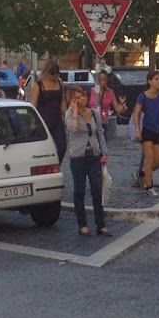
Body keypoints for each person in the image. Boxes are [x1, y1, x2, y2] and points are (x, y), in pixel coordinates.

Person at [65, 87, 110, 236]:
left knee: (97, 189)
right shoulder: (70, 115)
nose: (81, 99)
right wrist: (75, 112)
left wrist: (104, 152)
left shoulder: (94, 114)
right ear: (72, 100)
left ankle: (101, 225)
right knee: (79, 190)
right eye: (77, 97)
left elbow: (100, 134)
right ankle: (82, 225)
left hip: (94, 155)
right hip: (78, 157)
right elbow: (73, 130)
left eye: (82, 96)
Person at [130, 68, 159, 197]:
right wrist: (137, 129)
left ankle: (144, 173)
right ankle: (149, 187)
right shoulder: (142, 96)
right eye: (156, 79)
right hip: (146, 131)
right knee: (150, 159)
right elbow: (136, 114)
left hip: (157, 131)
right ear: (150, 81)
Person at [30, 58, 67, 162]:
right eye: (52, 73)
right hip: (44, 120)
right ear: (46, 72)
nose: (54, 76)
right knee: (44, 148)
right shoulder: (38, 85)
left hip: (57, 120)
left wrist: (66, 116)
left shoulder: (59, 82)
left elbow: (63, 101)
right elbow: (34, 104)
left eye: (56, 73)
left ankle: (56, 165)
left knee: (61, 146)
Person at [90, 68, 127, 137]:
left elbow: (117, 108)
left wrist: (122, 108)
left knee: (103, 142)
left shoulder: (110, 92)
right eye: (101, 79)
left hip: (103, 122)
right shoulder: (91, 91)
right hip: (91, 121)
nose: (103, 82)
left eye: (105, 80)